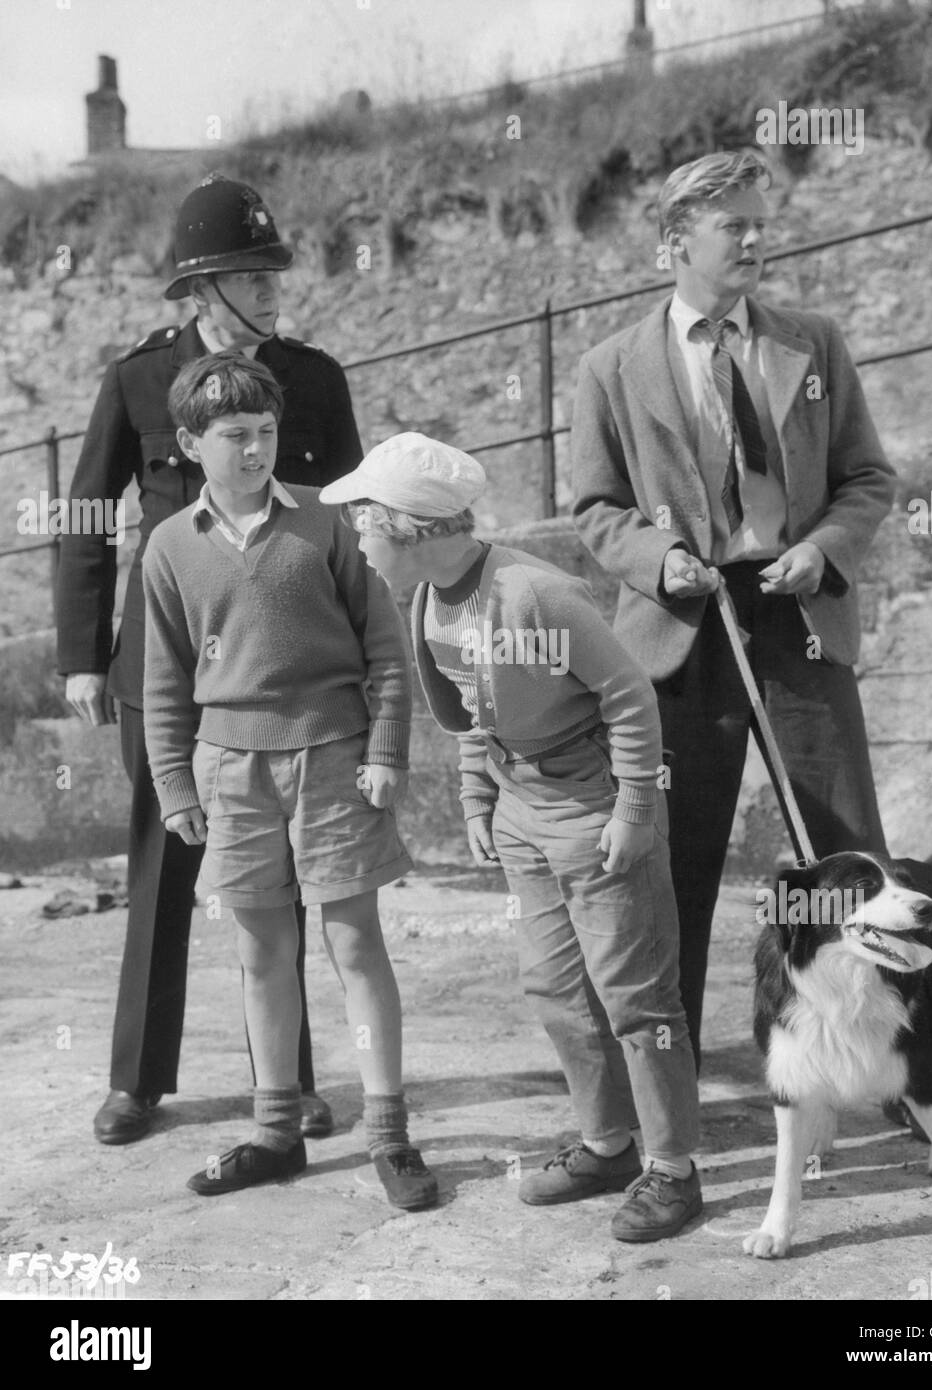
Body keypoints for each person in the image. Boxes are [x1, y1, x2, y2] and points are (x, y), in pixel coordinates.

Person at [320, 432, 703, 1243]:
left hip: (591, 804)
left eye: (366, 527)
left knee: (635, 996)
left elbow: (629, 696)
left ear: (411, 527)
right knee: (555, 990)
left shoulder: (533, 593)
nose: (359, 543)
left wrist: (634, 811)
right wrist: (474, 801)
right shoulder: (431, 599)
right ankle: (606, 1144)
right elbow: (472, 707)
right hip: (519, 808)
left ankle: (672, 1169)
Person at [570, 149, 896, 1072]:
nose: (757, 239)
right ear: (675, 242)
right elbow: (594, 509)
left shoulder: (813, 343)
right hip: (680, 634)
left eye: (762, 222)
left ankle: (896, 1068)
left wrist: (821, 549)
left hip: (795, 616)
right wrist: (659, 558)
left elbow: (867, 476)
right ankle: (664, 1084)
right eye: (734, 226)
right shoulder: (609, 368)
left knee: (844, 850)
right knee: (672, 862)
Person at [57, 173, 363, 1145]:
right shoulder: (137, 379)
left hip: (280, 669)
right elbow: (81, 522)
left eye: (274, 269)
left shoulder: (313, 381)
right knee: (161, 868)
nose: (272, 289)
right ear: (200, 287)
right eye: (248, 273)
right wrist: (78, 656)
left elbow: (346, 520)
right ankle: (137, 1083)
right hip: (161, 664)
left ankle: (291, 1084)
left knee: (277, 870)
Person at [141, 354, 436, 1207]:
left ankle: (388, 1133)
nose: (256, 450)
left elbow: (386, 649)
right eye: (235, 436)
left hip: (335, 759)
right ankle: (276, 1132)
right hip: (229, 772)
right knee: (262, 951)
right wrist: (174, 784)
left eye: (265, 433)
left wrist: (385, 751)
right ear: (192, 444)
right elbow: (164, 680)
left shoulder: (325, 523)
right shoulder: (167, 547)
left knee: (353, 942)